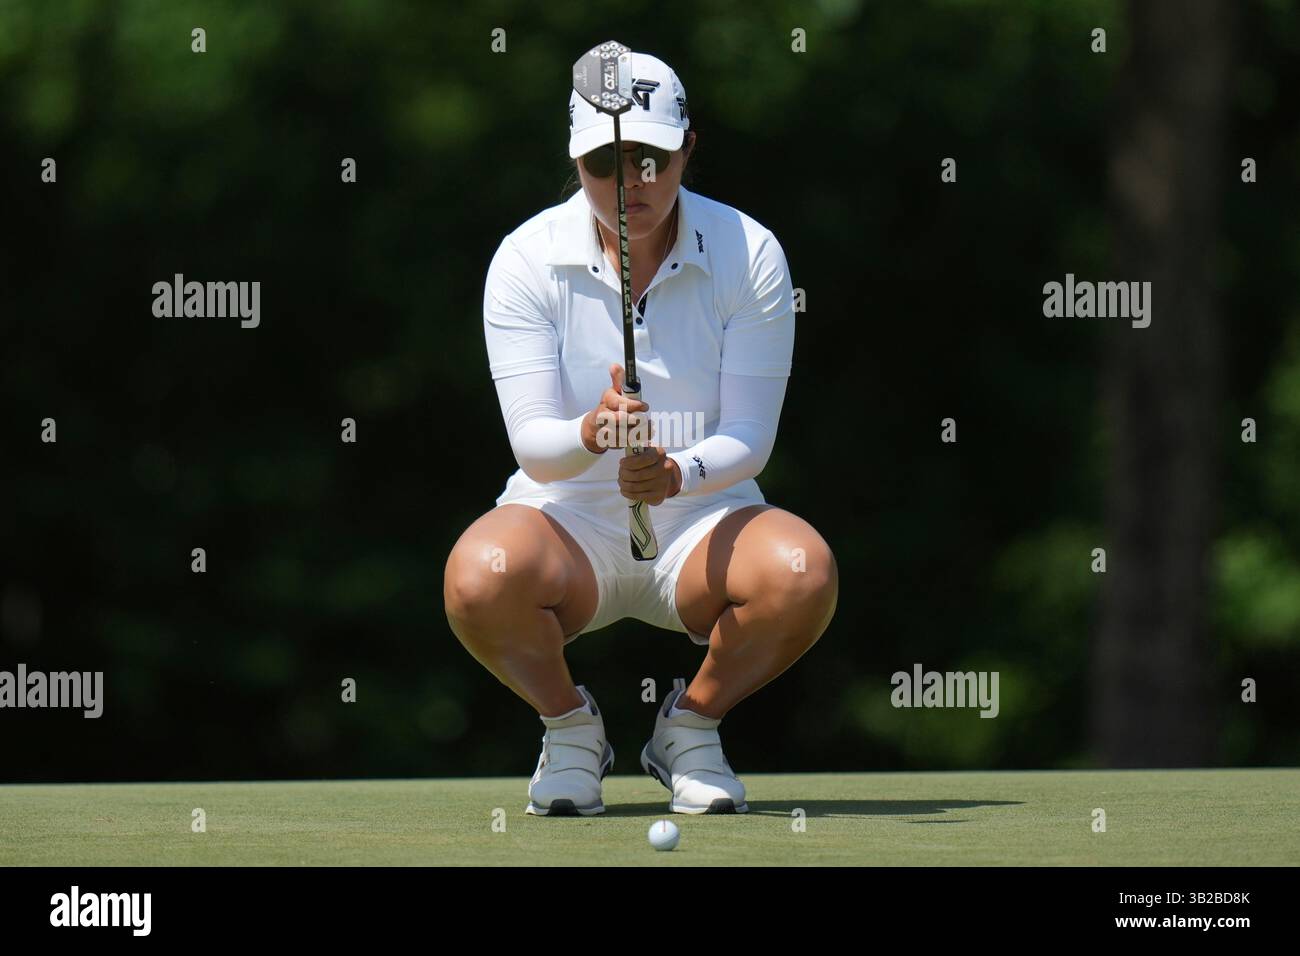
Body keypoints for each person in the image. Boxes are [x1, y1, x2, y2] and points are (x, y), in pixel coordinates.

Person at [444, 50, 837, 816]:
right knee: (479, 574)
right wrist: (593, 433)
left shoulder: (749, 252)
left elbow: (751, 439)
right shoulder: (525, 259)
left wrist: (676, 474)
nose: (630, 184)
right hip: (564, 522)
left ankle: (690, 730)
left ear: (688, 146)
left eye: (651, 158)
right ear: (575, 162)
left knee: (802, 570)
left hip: (704, 519)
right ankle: (570, 732)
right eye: (603, 163)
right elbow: (533, 448)